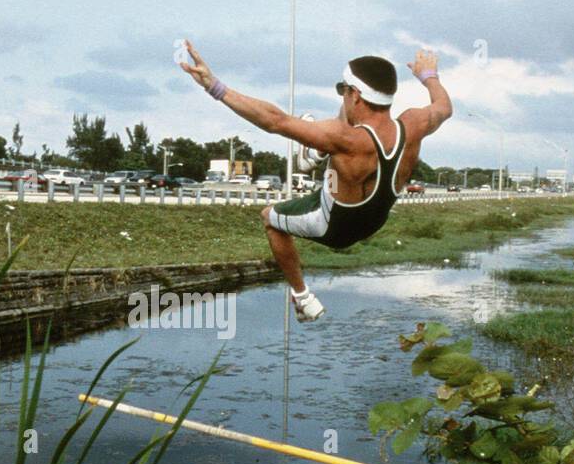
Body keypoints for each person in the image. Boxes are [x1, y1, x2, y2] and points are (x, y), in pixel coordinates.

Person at [179, 41, 452, 321]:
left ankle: (303, 299)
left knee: (268, 218)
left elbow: (274, 121)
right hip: (373, 220)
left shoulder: (345, 139)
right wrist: (429, 75)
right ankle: (315, 151)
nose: (343, 97)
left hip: (332, 225)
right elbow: (443, 106)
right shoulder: (415, 123)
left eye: (343, 91)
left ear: (355, 94)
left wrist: (214, 86)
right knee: (333, 132)